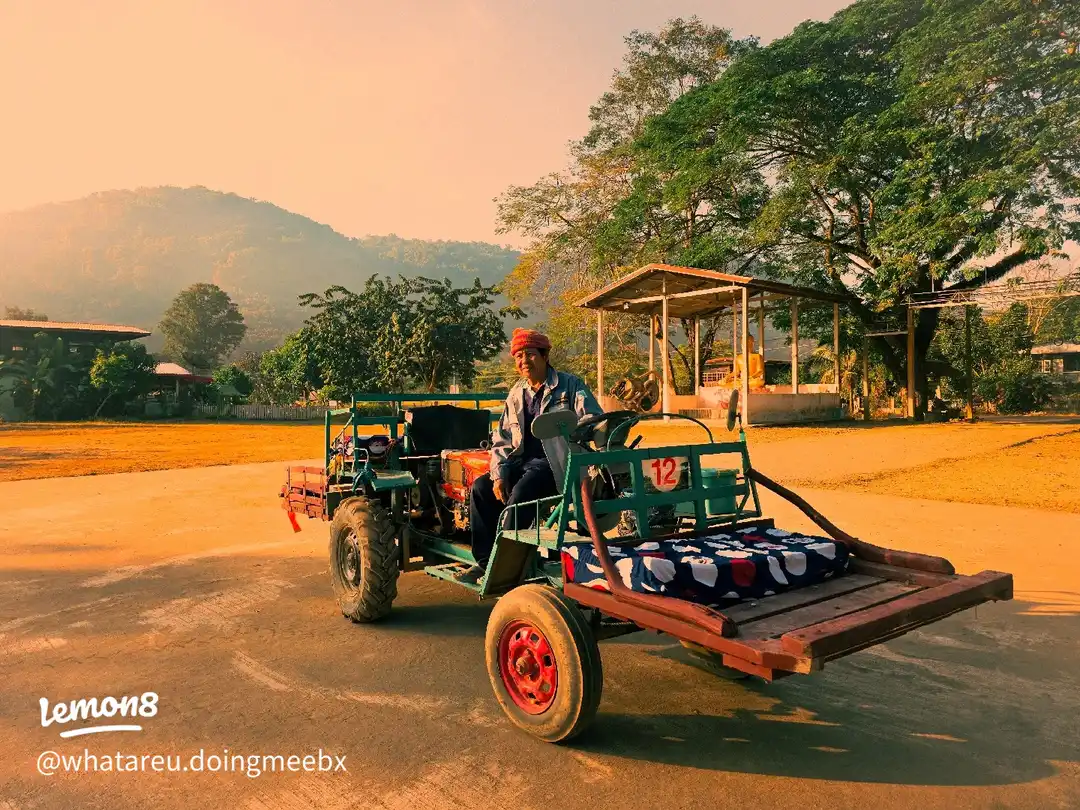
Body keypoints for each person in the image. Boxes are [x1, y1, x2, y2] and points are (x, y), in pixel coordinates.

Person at [454, 328, 602, 585]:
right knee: (480, 489)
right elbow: (501, 440)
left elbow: (594, 419)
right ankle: (486, 561)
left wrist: (575, 429)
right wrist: (498, 475)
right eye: (518, 356)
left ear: (545, 356)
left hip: (555, 466)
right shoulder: (516, 393)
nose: (524, 361)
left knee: (522, 495)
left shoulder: (570, 385)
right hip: (521, 463)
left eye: (530, 354)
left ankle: (507, 567)